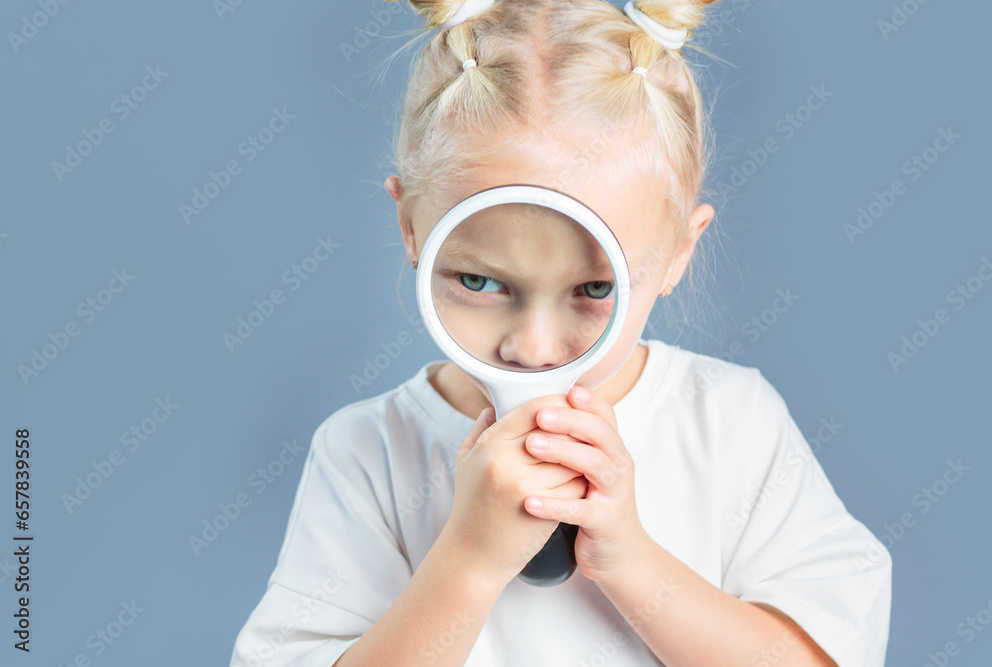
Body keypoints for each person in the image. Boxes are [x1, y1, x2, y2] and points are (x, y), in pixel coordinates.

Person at [229, 0, 892, 665]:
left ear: (677, 255)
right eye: (480, 282)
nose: (534, 347)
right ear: (410, 230)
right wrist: (468, 562)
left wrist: (631, 560)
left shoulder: (731, 422)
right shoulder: (368, 454)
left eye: (594, 289)